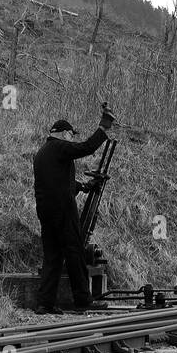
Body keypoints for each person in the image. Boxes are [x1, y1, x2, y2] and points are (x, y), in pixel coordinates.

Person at [33, 108, 116, 314]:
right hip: (62, 209)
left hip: (45, 211)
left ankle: (46, 303)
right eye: (71, 134)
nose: (71, 139)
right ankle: (82, 300)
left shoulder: (42, 153)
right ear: (62, 134)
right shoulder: (60, 147)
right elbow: (86, 148)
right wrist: (102, 128)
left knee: (52, 255)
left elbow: (58, 182)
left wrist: (83, 186)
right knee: (75, 251)